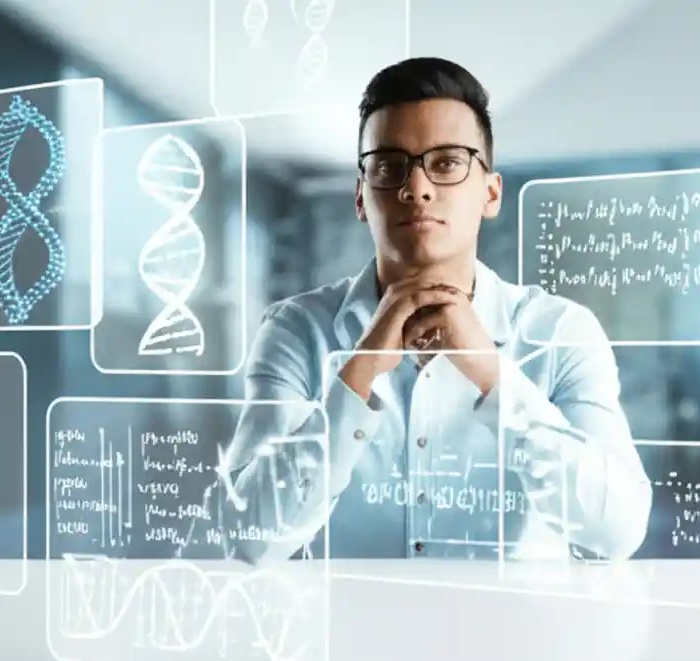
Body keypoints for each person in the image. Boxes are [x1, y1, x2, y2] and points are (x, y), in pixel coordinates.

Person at [216, 57, 652, 564]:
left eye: (446, 162)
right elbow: (247, 539)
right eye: (389, 165)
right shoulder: (296, 332)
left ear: (490, 193)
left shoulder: (561, 332)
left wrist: (493, 375)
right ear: (361, 195)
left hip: (519, 639)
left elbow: (617, 533)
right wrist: (357, 374)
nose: (416, 188)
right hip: (350, 637)